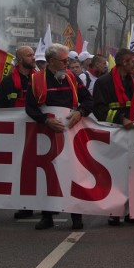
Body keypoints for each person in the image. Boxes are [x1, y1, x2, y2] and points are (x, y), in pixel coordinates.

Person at [26, 43, 94, 231]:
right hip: (46, 135)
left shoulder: (72, 78)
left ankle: (76, 216)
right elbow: (30, 108)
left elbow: (89, 100)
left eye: (68, 60)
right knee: (48, 175)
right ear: (50, 61)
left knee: (73, 173)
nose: (68, 64)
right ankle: (47, 215)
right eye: (64, 61)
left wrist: (80, 112)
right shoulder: (36, 80)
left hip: (70, 135)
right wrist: (45, 121)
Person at [92, 48, 134, 226]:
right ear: (124, 62)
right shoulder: (103, 83)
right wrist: (120, 119)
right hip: (114, 133)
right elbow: (99, 109)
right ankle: (114, 211)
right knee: (115, 173)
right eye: (133, 61)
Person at [0, 45, 38, 220]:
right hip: (17, 132)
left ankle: (45, 203)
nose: (33, 58)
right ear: (19, 60)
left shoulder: (39, 79)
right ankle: (25, 205)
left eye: (33, 54)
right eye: (29, 55)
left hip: (36, 129)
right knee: (22, 169)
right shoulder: (8, 82)